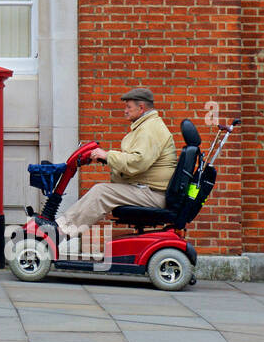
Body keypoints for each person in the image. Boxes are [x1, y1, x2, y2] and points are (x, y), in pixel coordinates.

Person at [56, 87, 177, 244]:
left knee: (102, 192)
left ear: (141, 108)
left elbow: (138, 162)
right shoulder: (147, 126)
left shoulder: (150, 129)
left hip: (153, 194)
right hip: (150, 191)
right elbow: (136, 162)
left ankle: (59, 233)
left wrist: (107, 155)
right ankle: (63, 228)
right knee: (103, 191)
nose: (125, 111)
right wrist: (107, 159)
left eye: (128, 107)